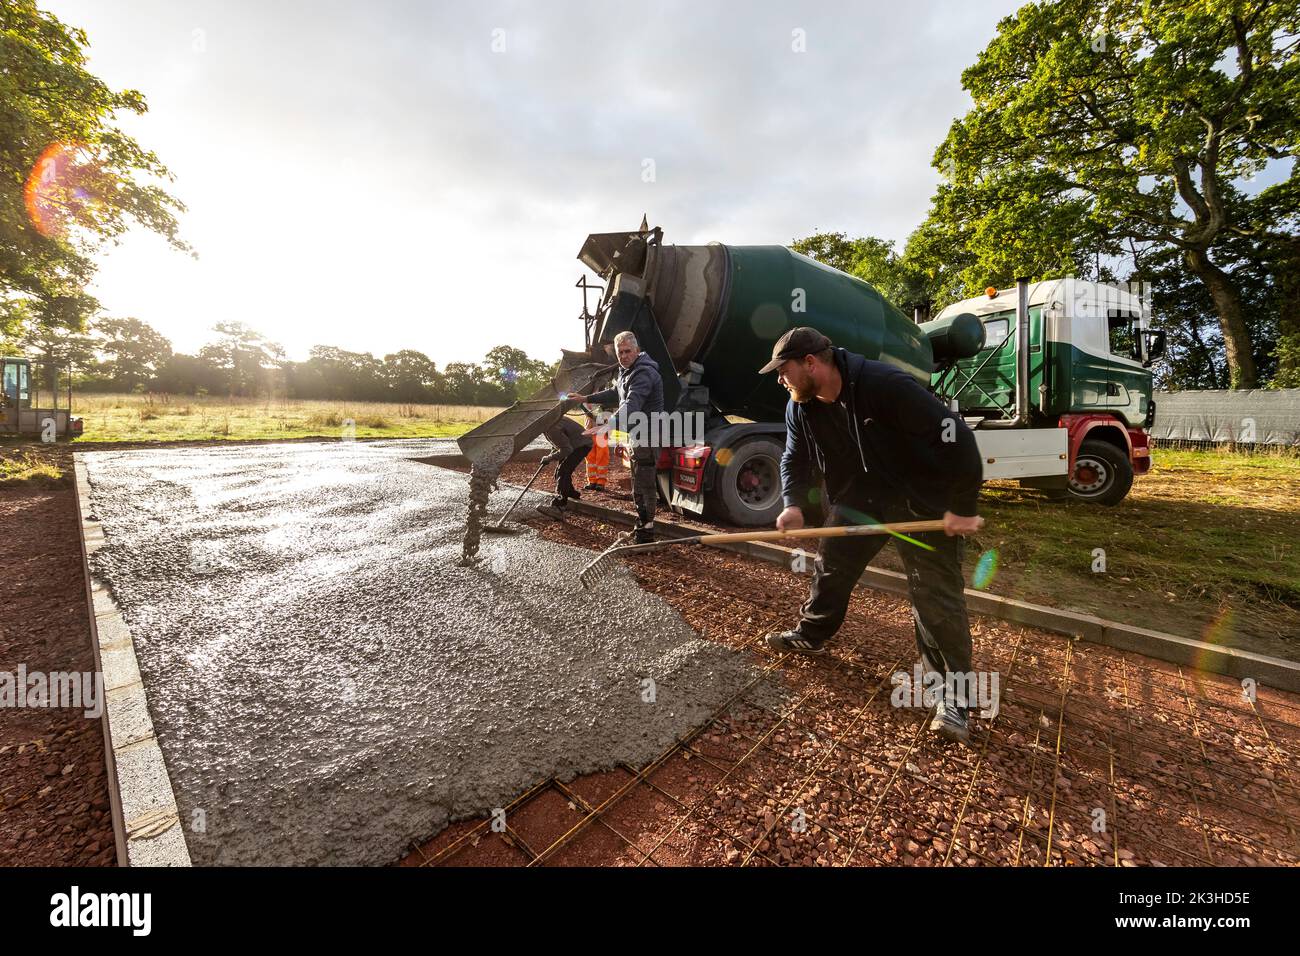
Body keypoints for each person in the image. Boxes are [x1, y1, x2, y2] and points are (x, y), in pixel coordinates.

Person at [762, 327, 985, 744]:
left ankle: (954, 699)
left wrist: (962, 508)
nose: (780, 379)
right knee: (832, 566)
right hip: (860, 499)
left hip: (921, 501)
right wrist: (792, 502)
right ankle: (812, 635)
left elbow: (959, 441)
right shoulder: (802, 405)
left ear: (811, 363)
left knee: (933, 595)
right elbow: (795, 455)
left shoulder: (886, 386)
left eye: (784, 369)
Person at [569, 330, 664, 543]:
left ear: (637, 351)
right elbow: (615, 393)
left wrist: (608, 426)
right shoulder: (626, 372)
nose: (623, 356)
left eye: (627, 351)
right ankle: (641, 527)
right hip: (636, 436)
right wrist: (586, 397)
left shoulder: (643, 373)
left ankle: (645, 535)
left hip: (648, 436)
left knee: (644, 484)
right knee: (638, 482)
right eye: (620, 352)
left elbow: (632, 404)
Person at [535, 413, 593, 520]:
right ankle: (570, 492)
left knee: (563, 471)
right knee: (561, 470)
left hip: (581, 445)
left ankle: (559, 506)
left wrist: (549, 458)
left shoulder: (551, 428)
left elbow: (567, 449)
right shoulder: (550, 421)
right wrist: (550, 455)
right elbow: (560, 443)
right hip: (574, 443)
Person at [581, 408, 609, 492]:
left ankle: (601, 482)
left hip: (601, 434)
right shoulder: (587, 404)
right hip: (589, 434)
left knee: (602, 459)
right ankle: (592, 481)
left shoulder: (602, 405)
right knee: (590, 459)